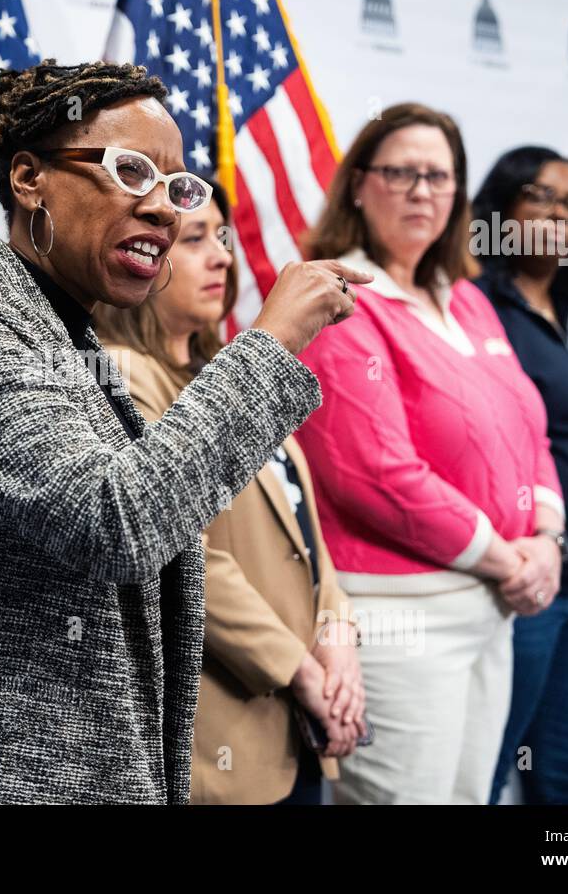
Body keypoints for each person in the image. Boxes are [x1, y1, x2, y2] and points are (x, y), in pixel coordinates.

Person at [0, 60, 370, 804]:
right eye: (131, 170)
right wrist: (267, 344)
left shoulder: (77, 349)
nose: (166, 210)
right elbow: (114, 522)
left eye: (177, 187)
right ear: (30, 178)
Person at [294, 103, 565, 805]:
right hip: (403, 619)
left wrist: (547, 536)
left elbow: (530, 425)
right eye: (402, 173)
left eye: (439, 176)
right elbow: (370, 474)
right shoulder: (338, 295)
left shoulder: (466, 298)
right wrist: (508, 558)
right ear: (358, 185)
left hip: (490, 609)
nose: (423, 190)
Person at [93, 176, 363, 805]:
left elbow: (308, 542)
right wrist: (298, 669)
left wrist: (339, 640)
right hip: (223, 729)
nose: (222, 255)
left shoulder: (222, 374)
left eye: (222, 235)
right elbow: (183, 553)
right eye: (193, 240)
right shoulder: (122, 376)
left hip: (296, 723)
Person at [471, 146, 568, 804]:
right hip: (519, 580)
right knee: (491, 770)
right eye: (542, 196)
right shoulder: (476, 304)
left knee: (564, 774)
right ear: (501, 209)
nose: (560, 214)